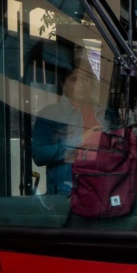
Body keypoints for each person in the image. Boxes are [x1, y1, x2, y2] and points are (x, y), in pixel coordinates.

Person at [32, 62, 104, 195]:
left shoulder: (104, 114)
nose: (81, 85)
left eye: (86, 79)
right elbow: (39, 155)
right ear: (63, 84)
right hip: (67, 194)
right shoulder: (50, 114)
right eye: (74, 79)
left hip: (101, 191)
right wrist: (79, 141)